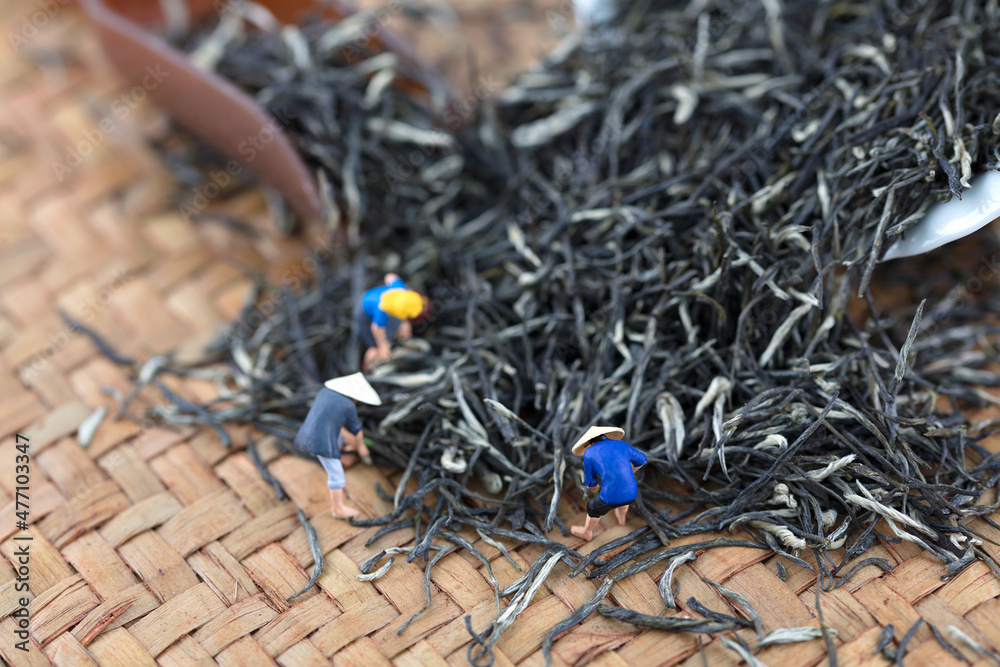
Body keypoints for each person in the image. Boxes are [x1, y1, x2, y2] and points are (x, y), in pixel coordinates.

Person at [294, 372, 381, 519]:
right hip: (321, 442)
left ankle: (343, 454)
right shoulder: (348, 405)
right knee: (336, 475)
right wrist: (361, 447)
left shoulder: (324, 392)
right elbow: (357, 432)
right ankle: (338, 508)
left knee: (339, 438)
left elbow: (333, 421)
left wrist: (349, 440)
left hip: (305, 434)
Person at [569, 425, 646, 541]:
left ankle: (586, 532)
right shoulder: (622, 444)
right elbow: (642, 459)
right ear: (606, 435)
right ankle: (621, 519)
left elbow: (591, 482)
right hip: (632, 492)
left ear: (589, 442)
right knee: (624, 500)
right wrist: (630, 471)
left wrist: (593, 489)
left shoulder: (589, 453)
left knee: (592, 507)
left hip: (611, 497)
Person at [354, 273, 425, 370]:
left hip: (378, 301)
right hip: (364, 313)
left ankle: (398, 342)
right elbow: (376, 328)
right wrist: (382, 346)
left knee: (401, 327)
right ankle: (367, 368)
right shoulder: (382, 309)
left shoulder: (400, 289)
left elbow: (390, 276)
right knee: (374, 348)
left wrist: (404, 323)